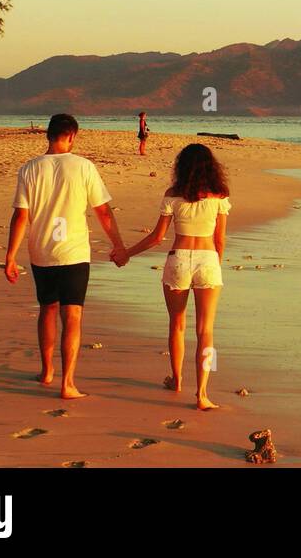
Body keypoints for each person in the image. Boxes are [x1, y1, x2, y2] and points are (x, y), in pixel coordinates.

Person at [4, 114, 129, 399]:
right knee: (72, 315)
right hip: (73, 253)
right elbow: (103, 211)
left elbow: (20, 215)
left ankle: (47, 371)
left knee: (47, 309)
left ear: (48, 135)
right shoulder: (84, 167)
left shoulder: (29, 169)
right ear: (72, 136)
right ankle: (67, 383)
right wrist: (118, 246)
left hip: (42, 251)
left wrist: (10, 256)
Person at [122, 144, 230, 410]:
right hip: (208, 260)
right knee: (206, 330)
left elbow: (157, 238)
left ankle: (177, 379)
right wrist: (217, 264)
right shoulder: (219, 196)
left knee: (177, 324)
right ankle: (202, 394)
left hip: (179, 258)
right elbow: (220, 239)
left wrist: (127, 253)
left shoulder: (173, 195)